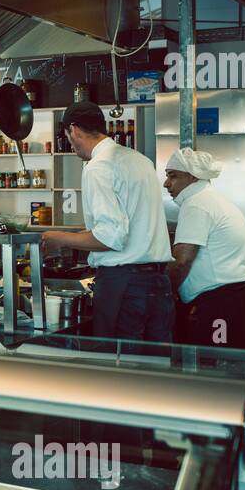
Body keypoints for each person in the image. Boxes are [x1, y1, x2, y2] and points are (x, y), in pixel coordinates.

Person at [41, 101, 174, 341]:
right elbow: (129, 223)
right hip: (158, 283)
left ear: (74, 130)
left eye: (67, 136)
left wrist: (58, 238)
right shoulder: (139, 160)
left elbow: (111, 237)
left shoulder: (98, 167)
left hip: (124, 284)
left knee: (119, 368)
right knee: (156, 367)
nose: (70, 144)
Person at [164, 147, 245, 349]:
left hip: (223, 305)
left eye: (173, 176)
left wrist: (166, 292)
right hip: (239, 301)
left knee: (218, 371)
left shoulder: (196, 204)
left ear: (192, 177)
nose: (166, 183)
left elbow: (181, 261)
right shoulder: (211, 199)